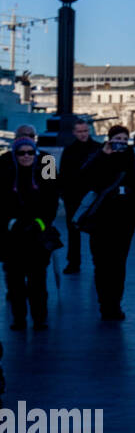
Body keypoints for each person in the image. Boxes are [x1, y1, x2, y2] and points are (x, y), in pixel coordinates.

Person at [76, 125, 135, 320]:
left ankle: (115, 304)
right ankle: (104, 303)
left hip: (124, 218)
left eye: (125, 139)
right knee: (101, 263)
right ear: (109, 139)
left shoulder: (130, 158)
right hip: (101, 217)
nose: (121, 143)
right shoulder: (98, 155)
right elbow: (83, 175)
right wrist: (103, 154)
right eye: (118, 138)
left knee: (118, 264)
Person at [0, 135, 58, 330]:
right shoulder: (5, 166)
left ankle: (40, 317)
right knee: (15, 280)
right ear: (14, 154)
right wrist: (10, 221)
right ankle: (19, 318)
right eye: (21, 153)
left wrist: (41, 222)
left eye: (30, 152)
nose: (26, 156)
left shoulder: (48, 162)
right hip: (13, 233)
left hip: (37, 232)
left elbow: (53, 197)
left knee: (37, 279)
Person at [57, 118, 99, 275]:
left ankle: (89, 262)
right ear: (74, 132)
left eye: (85, 131)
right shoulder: (71, 150)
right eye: (80, 131)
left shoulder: (96, 148)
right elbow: (63, 175)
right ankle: (74, 262)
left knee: (93, 232)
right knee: (74, 232)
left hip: (91, 196)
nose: (83, 134)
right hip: (74, 197)